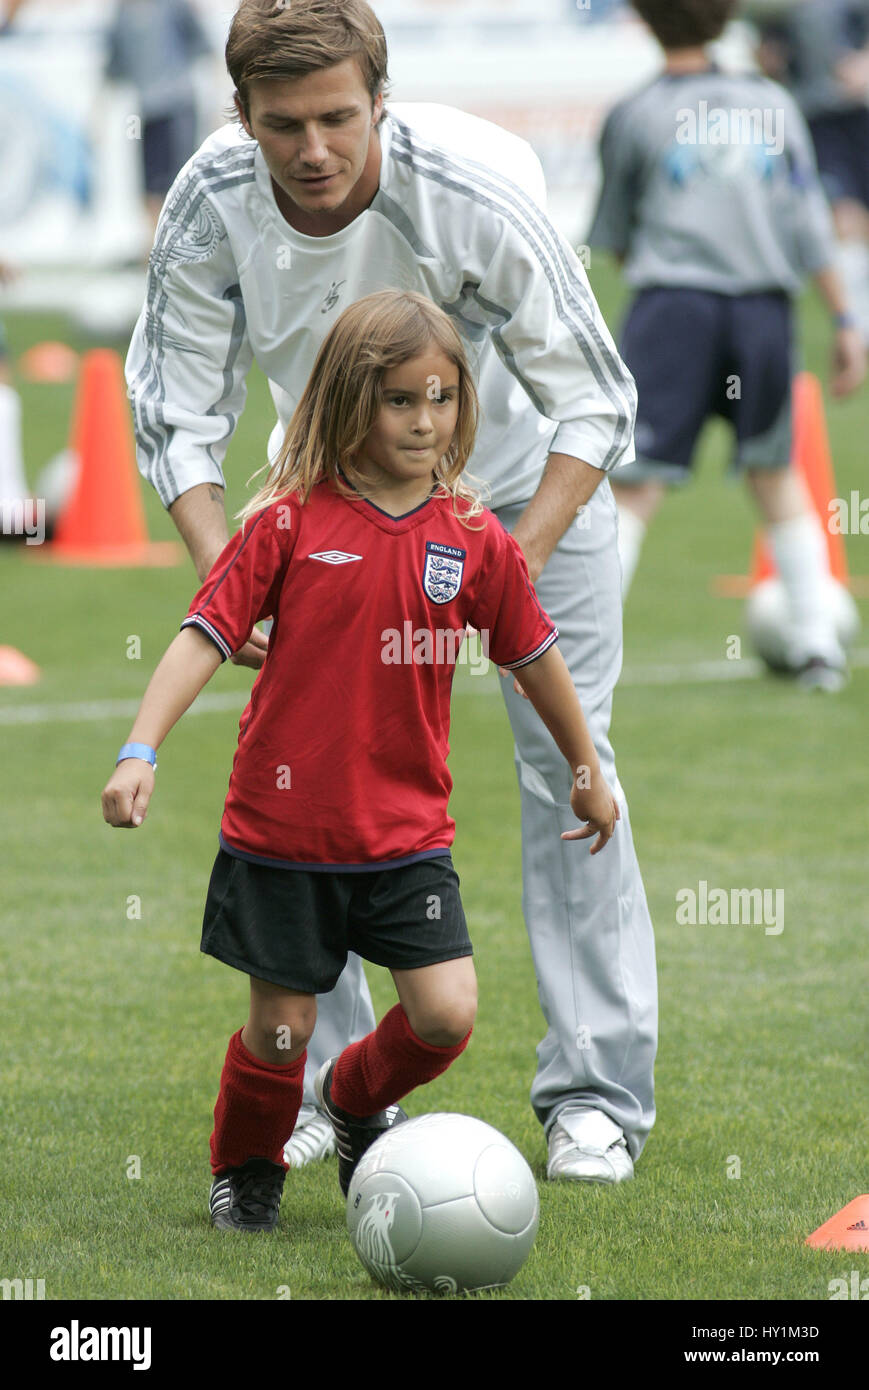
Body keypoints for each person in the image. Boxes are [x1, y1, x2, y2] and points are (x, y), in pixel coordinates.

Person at [127, 0, 656, 1186]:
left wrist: (489, 558)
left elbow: (595, 401)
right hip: (320, 509)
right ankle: (331, 1093)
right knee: (315, 777)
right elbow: (174, 409)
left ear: (380, 99)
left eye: (336, 119)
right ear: (240, 117)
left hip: (520, 502)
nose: (311, 149)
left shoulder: (474, 189)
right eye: (280, 126)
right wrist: (237, 571)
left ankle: (594, 1102)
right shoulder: (210, 201)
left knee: (571, 770)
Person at [102, 290, 621, 1231]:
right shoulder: (287, 522)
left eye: (442, 398)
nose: (426, 422)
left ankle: (349, 1097)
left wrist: (586, 765)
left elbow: (534, 655)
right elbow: (202, 634)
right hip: (284, 830)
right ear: (349, 401)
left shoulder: (470, 539)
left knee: (445, 1015)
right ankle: (246, 1164)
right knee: (278, 1030)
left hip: (405, 836)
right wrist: (141, 749)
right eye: (399, 401)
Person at [590, 0, 866, 689]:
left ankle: (584, 656)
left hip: (672, 310)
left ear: (646, 21)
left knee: (634, 483)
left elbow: (613, 234)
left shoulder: (633, 111)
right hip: (762, 313)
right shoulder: (771, 103)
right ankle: (816, 650)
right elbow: (808, 224)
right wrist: (843, 321)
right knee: (775, 476)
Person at [752, 0, 869, 344]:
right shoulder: (781, 10)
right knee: (844, 217)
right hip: (816, 120)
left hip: (859, 115)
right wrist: (770, 60)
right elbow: (766, 52)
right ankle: (858, 327)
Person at [103, 0, 214, 245]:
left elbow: (205, 48)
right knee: (149, 185)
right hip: (146, 110)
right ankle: (157, 247)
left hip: (179, 105)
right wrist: (98, 115)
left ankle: (182, 245)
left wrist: (221, 101)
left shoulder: (175, 5)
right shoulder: (122, 11)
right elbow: (112, 67)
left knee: (181, 178)